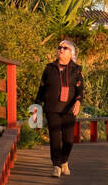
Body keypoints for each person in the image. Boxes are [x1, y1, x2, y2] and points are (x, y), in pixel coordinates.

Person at [35, 39, 83, 177]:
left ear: (71, 53)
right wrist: (36, 108)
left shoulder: (76, 70)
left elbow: (80, 89)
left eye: (65, 48)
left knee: (68, 139)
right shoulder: (49, 68)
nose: (61, 50)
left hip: (69, 109)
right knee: (54, 137)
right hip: (52, 108)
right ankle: (56, 165)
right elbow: (41, 89)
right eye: (59, 47)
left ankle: (64, 161)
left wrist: (78, 102)